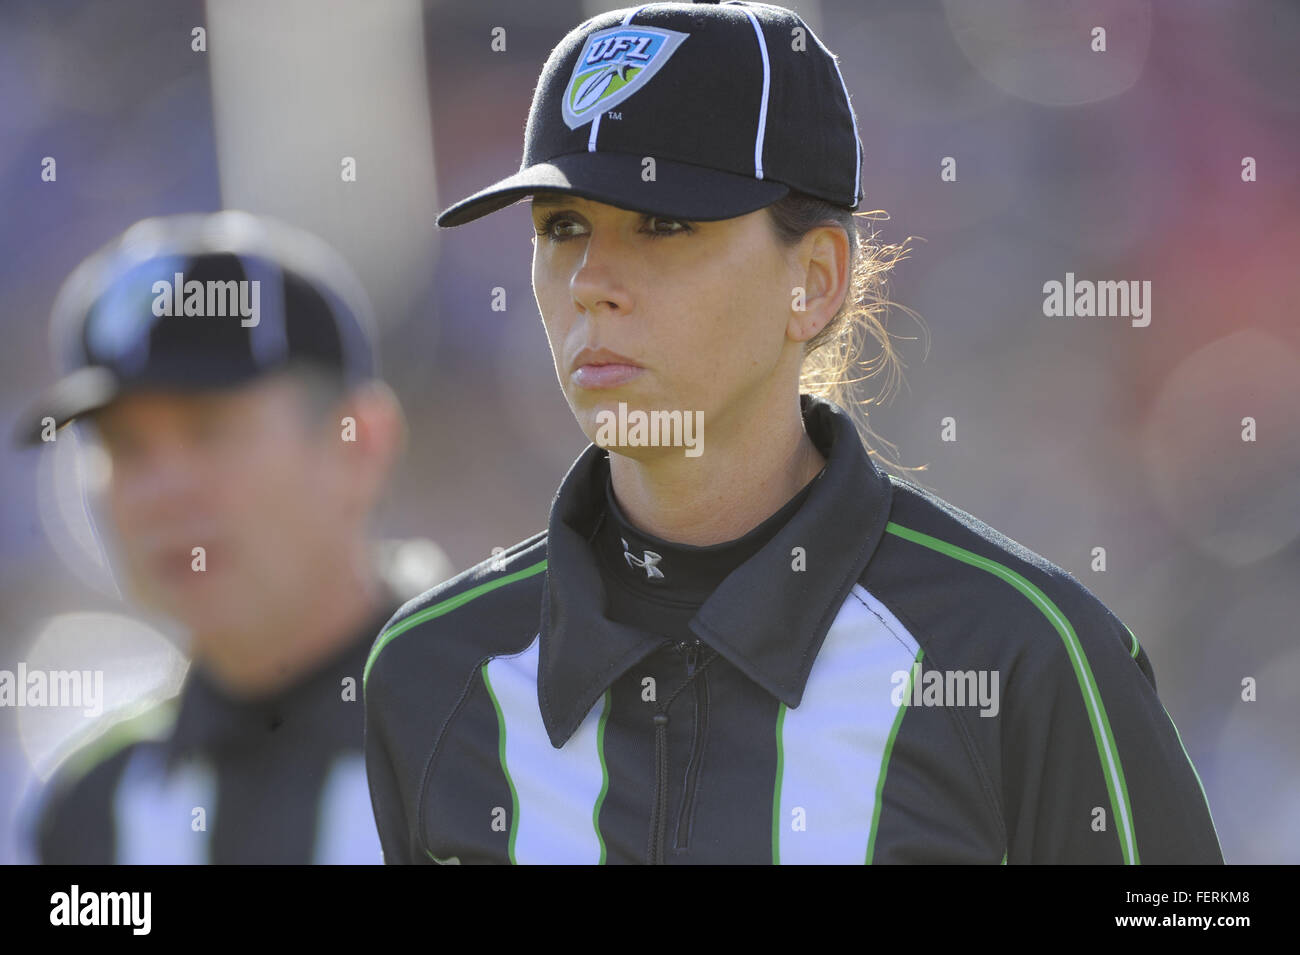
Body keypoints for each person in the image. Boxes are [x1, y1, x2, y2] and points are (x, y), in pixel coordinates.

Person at [364, 0, 1223, 864]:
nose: (591, 281)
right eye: (563, 227)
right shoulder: (430, 671)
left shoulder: (1020, 656)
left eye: (663, 223)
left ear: (814, 280)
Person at [18, 211, 426, 863]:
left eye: (209, 430)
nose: (161, 490)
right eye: (124, 446)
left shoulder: (528, 742)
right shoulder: (88, 813)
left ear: (360, 444)